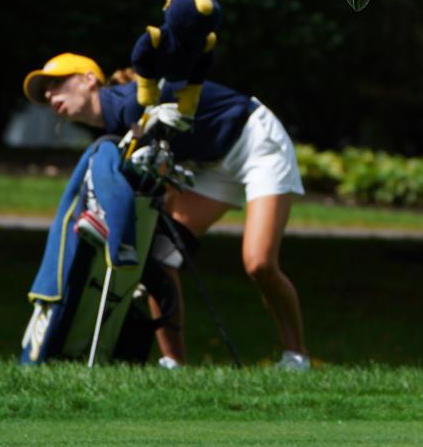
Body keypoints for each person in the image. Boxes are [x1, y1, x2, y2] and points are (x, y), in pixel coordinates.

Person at [23, 53, 312, 371]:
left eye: (57, 83)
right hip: (212, 163)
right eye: (45, 92)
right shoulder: (118, 121)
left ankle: (296, 356)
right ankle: (173, 363)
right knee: (159, 257)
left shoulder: (130, 101)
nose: (50, 95)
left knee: (259, 263)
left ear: (89, 79)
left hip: (255, 140)